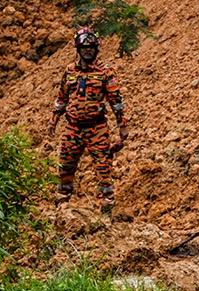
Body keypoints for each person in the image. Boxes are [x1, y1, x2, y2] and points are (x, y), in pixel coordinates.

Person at [47, 27, 129, 213]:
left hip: (97, 128)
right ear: (78, 49)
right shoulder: (69, 72)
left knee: (103, 166)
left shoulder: (106, 72)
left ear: (97, 48)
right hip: (73, 127)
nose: (88, 50)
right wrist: (53, 121)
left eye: (91, 47)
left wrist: (122, 126)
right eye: (84, 47)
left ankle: (107, 205)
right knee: (65, 165)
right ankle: (62, 204)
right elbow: (62, 99)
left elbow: (116, 101)